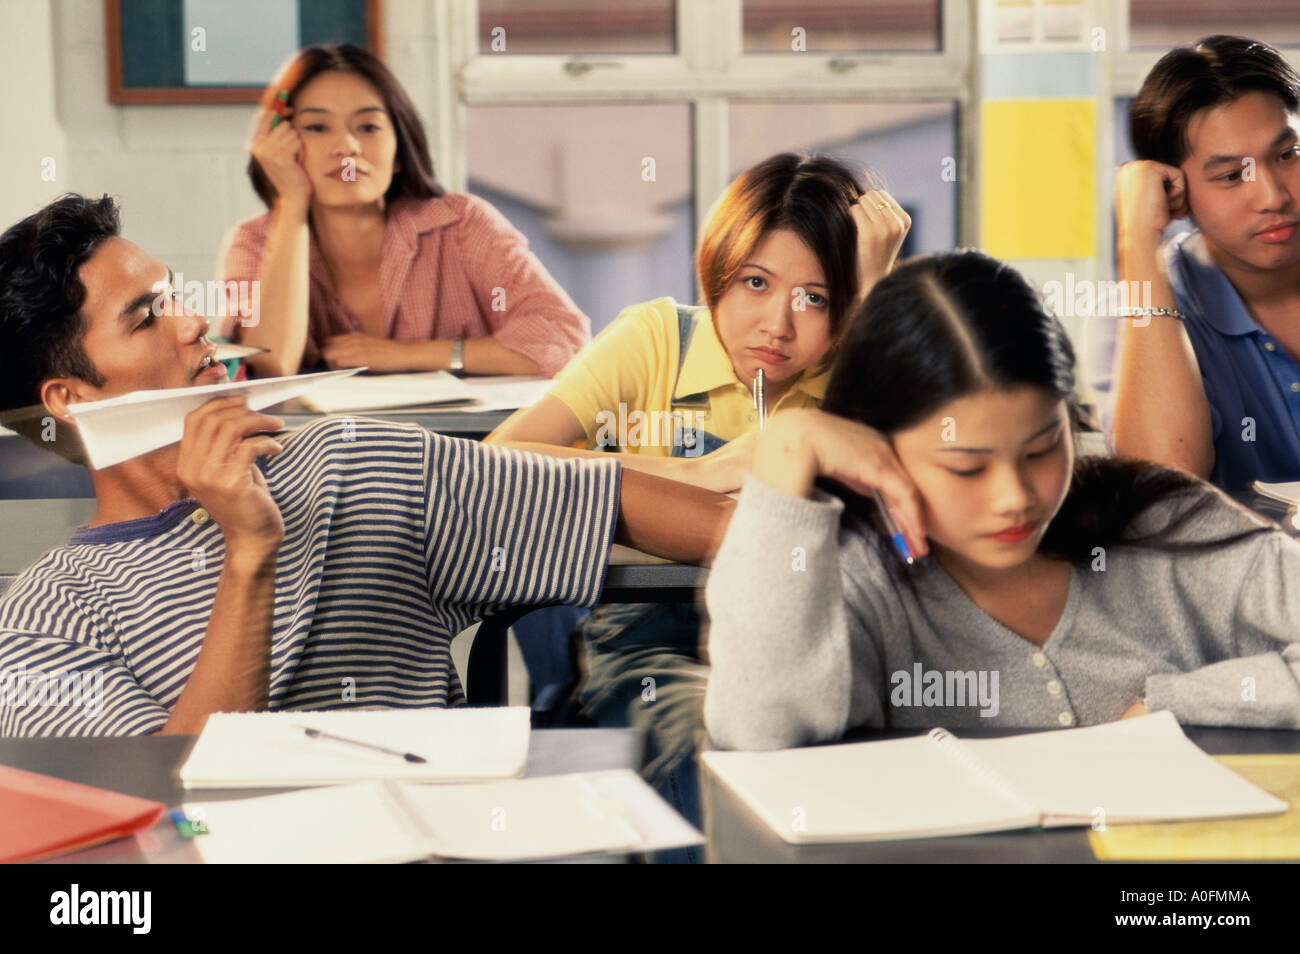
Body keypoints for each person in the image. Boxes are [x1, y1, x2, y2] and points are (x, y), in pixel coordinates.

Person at [0, 194, 733, 737]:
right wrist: (249, 555)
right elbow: (168, 810)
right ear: (67, 399)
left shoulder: (350, 461)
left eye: (175, 296)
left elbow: (618, 504)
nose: (194, 320)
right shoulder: (42, 620)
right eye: (146, 315)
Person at [704, 250, 1300, 752]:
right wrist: (786, 448)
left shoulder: (1164, 523)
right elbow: (761, 736)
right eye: (967, 467)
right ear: (877, 447)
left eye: (1042, 449)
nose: (1015, 497)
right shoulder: (853, 581)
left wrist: (1169, 705)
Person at [486, 152, 910, 855]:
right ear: (718, 271)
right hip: (659, 641)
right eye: (755, 283)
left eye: (816, 297)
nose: (778, 323)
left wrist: (874, 292)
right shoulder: (656, 339)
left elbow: (900, 511)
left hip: (821, 640)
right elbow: (498, 462)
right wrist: (701, 472)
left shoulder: (858, 364)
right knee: (703, 762)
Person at [221, 44, 589, 379]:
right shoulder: (254, 242)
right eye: (317, 127)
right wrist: (290, 204)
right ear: (280, 146)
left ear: (398, 152)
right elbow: (267, 367)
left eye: (368, 126)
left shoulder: (462, 224)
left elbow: (563, 340)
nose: (347, 146)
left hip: (472, 446)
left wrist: (408, 354)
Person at [1112, 35, 1300, 491]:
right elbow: (1166, 485)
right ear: (1173, 188)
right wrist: (1137, 242)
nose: (1273, 197)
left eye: (1288, 155)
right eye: (1233, 176)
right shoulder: (1143, 310)